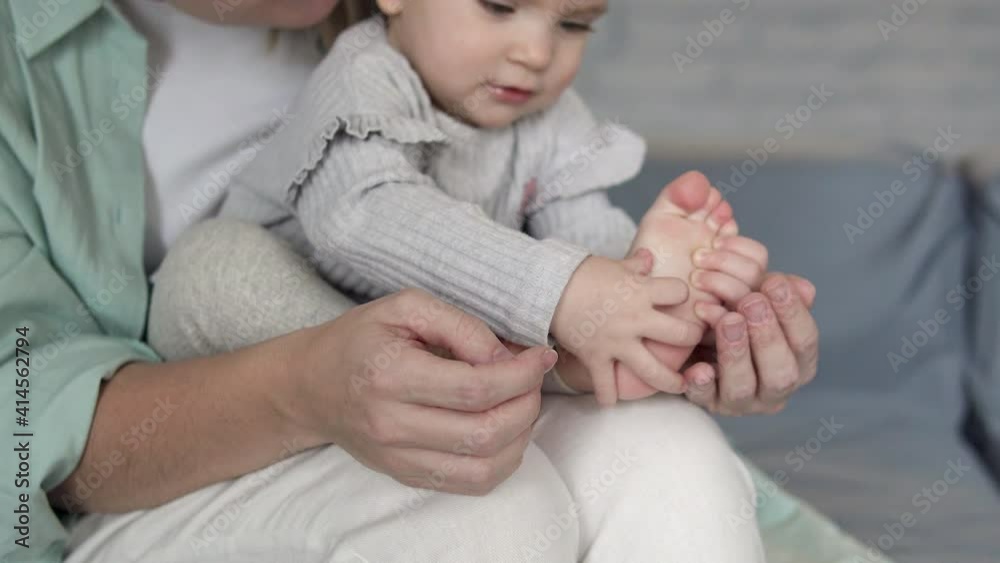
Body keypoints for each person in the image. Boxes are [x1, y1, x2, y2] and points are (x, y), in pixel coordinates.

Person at [0, 1, 823, 562]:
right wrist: (308, 386)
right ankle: (451, 371)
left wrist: (668, 314)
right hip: (145, 486)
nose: (537, 49)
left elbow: (564, 229)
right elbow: (16, 439)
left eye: (572, 22)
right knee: (489, 502)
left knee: (672, 453)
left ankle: (465, 373)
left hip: (462, 390)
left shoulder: (455, 45)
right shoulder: (370, 78)